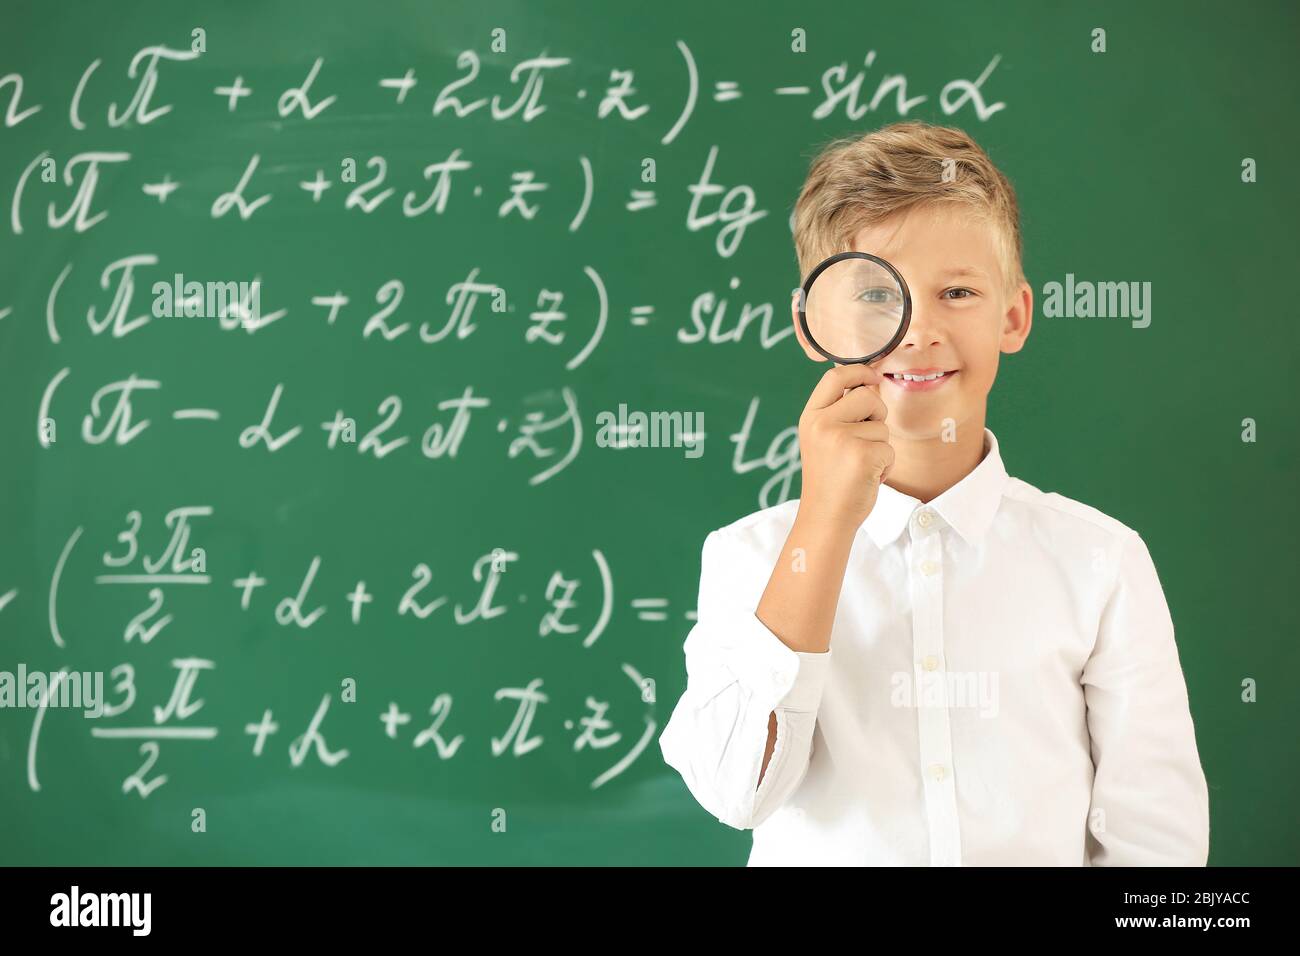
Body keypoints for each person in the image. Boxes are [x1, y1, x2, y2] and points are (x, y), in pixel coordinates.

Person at [658, 121, 1209, 866]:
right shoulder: (747, 559)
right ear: (814, 325)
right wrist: (823, 520)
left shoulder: (1101, 562)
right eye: (879, 295)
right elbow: (737, 792)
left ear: (1012, 316)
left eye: (957, 291)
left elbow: (1158, 846)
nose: (917, 332)